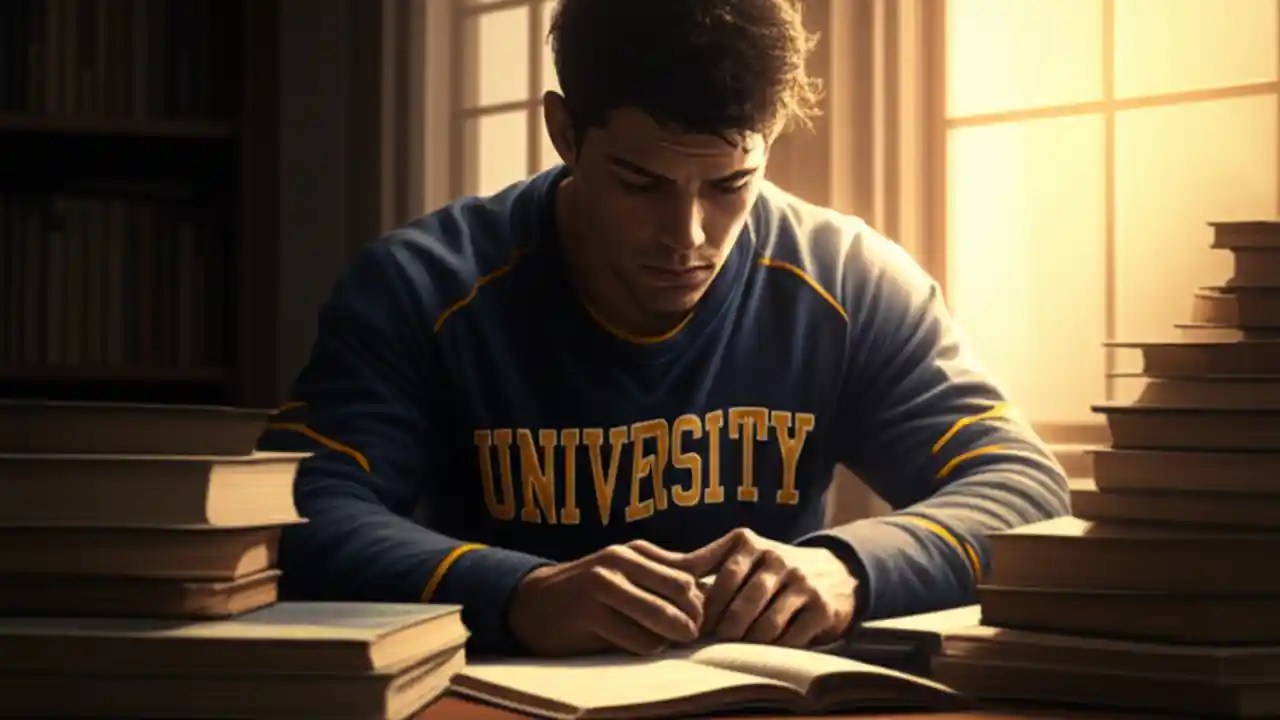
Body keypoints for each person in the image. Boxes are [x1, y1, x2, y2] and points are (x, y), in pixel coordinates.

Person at [257, 0, 1069, 659]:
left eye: (728, 184)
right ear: (565, 132)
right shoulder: (424, 286)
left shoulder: (844, 280)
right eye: (640, 183)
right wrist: (520, 593)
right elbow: (297, 512)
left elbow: (1026, 490)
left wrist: (851, 569)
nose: (687, 236)